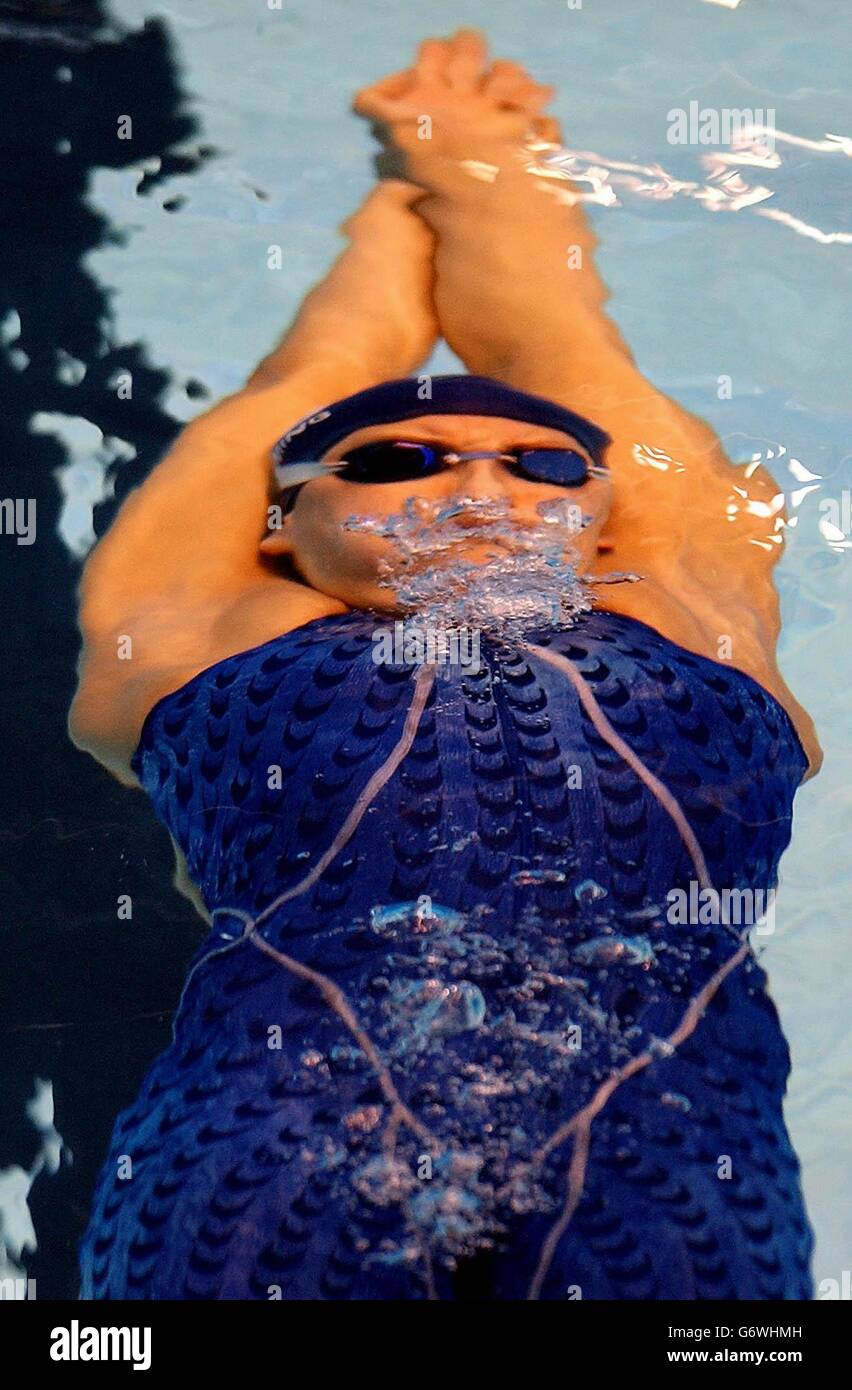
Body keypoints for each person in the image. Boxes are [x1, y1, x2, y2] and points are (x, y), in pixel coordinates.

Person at [69, 30, 821, 1300]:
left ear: (601, 513)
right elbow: (307, 380)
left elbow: (570, 342)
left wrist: (466, 155)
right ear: (278, 524)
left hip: (680, 1183)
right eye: (396, 463)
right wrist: (393, 194)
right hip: (255, 1170)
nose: (479, 485)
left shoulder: (692, 605)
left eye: (541, 468)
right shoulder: (207, 627)